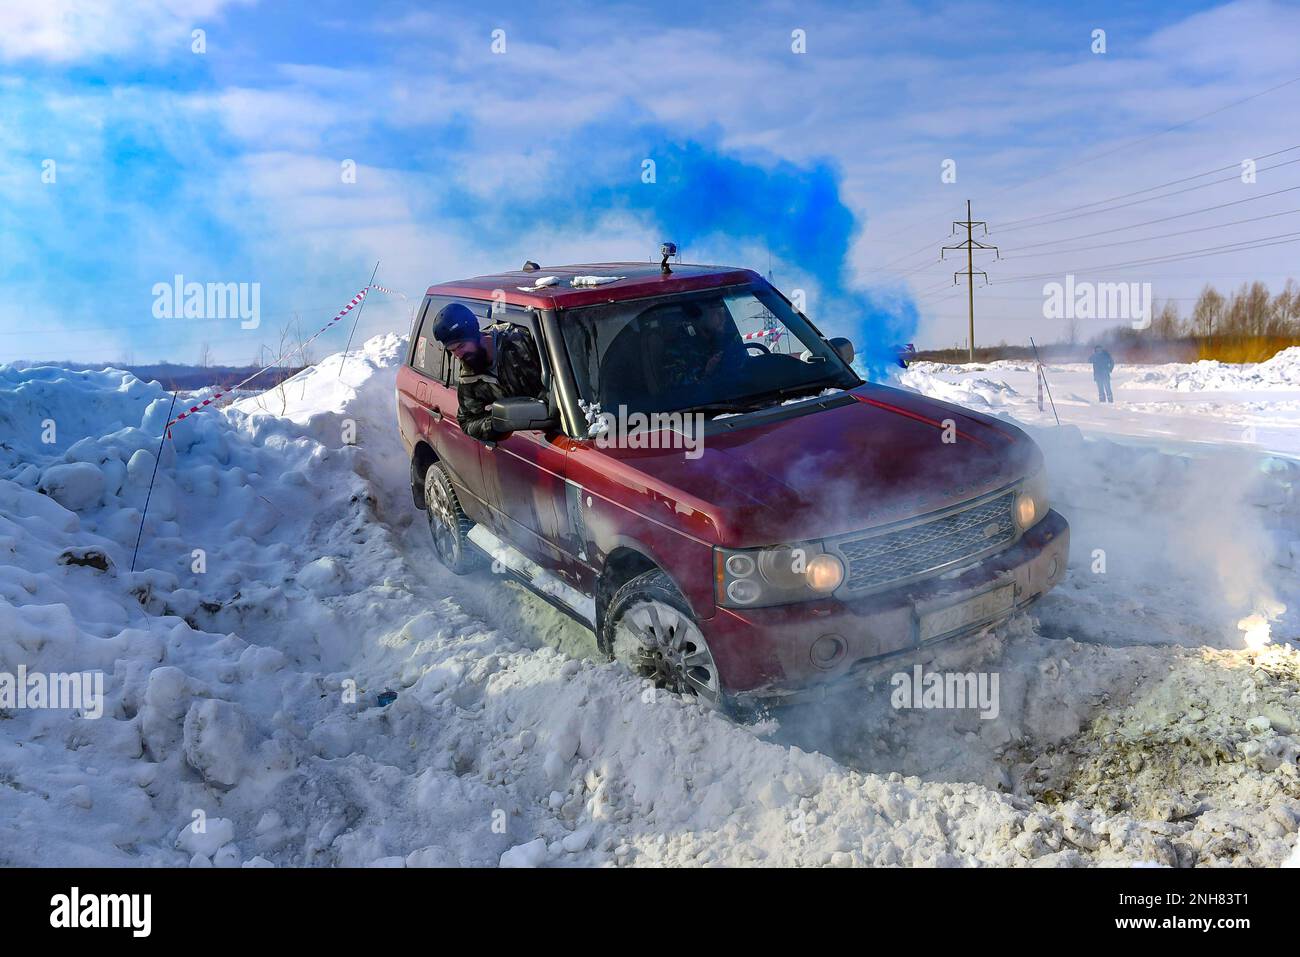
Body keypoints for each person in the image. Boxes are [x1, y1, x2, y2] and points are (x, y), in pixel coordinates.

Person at [430, 302, 546, 441]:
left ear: (475, 335)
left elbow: (560, 375)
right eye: (453, 350)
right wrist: (498, 423)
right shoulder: (469, 378)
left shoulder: (519, 340)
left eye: (461, 346)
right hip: (528, 442)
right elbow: (467, 422)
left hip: (557, 425)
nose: (459, 355)